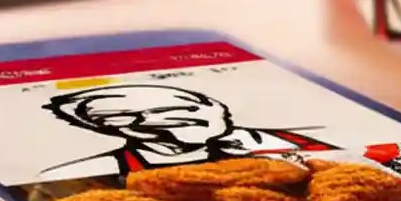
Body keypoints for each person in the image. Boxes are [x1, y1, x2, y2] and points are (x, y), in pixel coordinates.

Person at [39, 84, 337, 180]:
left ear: (218, 107)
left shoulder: (283, 143)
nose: (173, 119)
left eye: (190, 107)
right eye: (128, 116)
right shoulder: (89, 173)